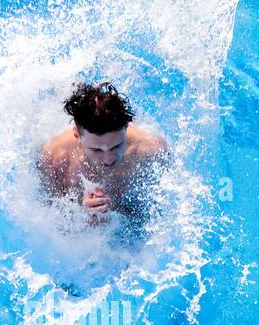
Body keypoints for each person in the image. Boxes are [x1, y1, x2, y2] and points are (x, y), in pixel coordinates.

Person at [37, 81, 167, 221]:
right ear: (77, 135)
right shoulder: (54, 158)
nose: (108, 159)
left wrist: (114, 208)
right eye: (96, 149)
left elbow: (157, 213)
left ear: (126, 128)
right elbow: (51, 220)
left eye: (116, 146)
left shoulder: (151, 151)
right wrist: (81, 212)